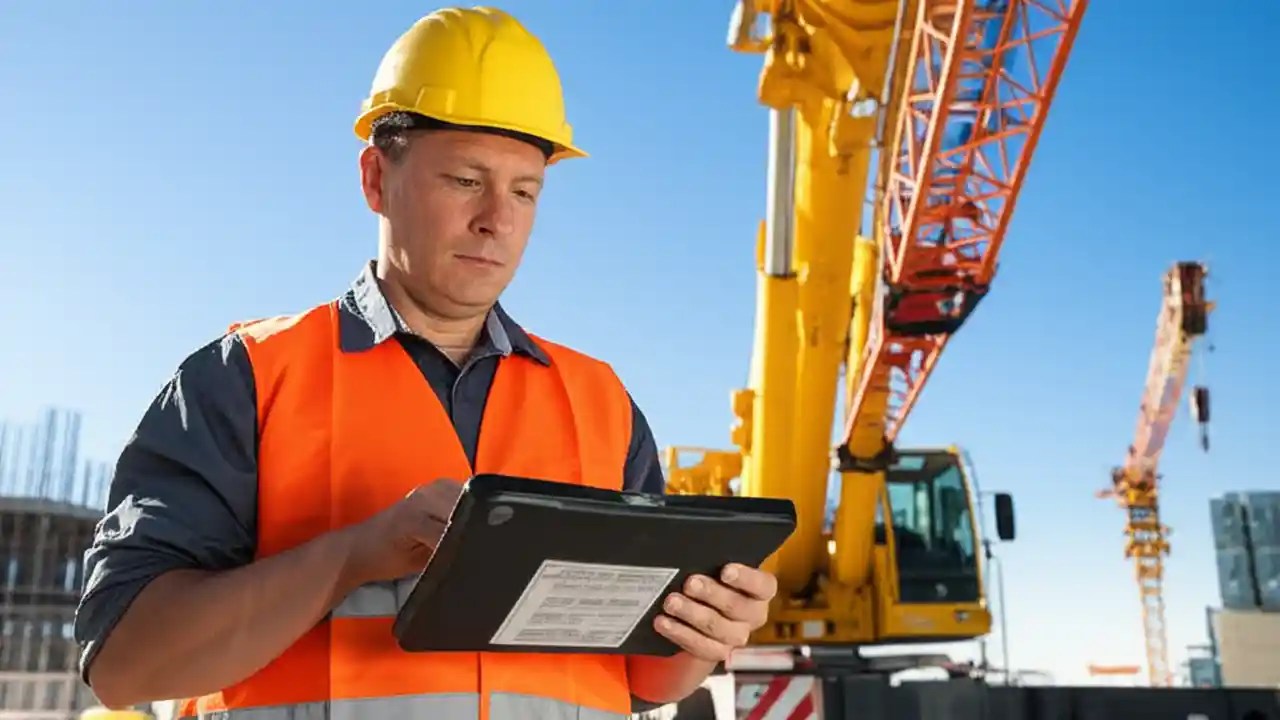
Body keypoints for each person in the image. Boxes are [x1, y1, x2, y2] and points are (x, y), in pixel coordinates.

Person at [73, 6, 779, 719]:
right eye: (467, 181)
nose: (497, 219)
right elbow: (124, 665)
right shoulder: (245, 380)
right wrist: (353, 555)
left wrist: (700, 636)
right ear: (377, 179)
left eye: (525, 191)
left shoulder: (600, 402)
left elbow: (631, 683)